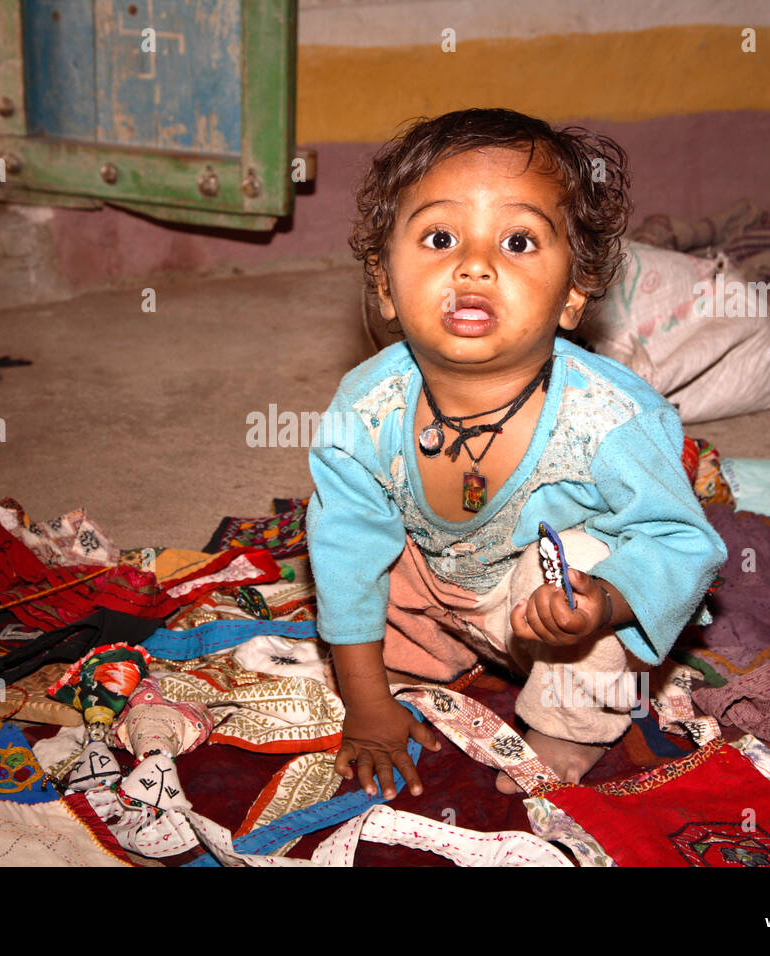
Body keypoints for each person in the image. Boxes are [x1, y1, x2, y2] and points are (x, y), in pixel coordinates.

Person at [306, 108, 727, 798]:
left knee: (583, 562)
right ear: (385, 283)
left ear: (573, 294)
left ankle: (565, 725)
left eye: (519, 242)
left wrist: (610, 602)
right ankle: (427, 663)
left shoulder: (613, 420)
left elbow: (685, 544)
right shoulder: (364, 408)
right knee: (342, 558)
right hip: (431, 598)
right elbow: (348, 553)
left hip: (556, 621)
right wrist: (366, 702)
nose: (474, 264)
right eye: (441, 237)